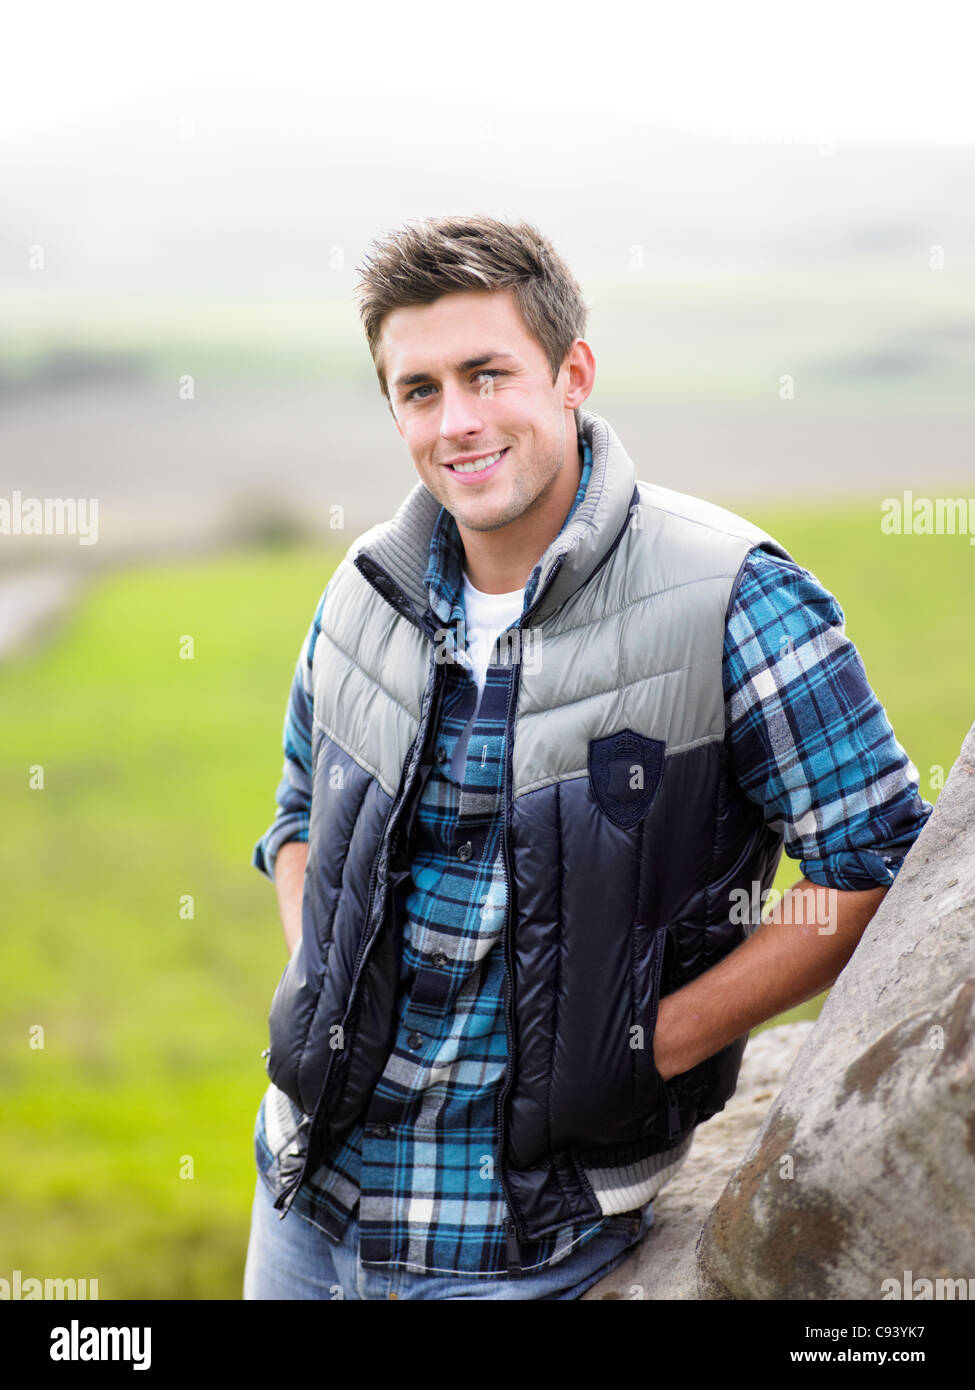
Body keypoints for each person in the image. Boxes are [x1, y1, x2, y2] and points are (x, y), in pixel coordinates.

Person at [242, 214, 931, 1300]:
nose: (456, 422)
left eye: (487, 374)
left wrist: (646, 1044)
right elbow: (295, 818)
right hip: (302, 1202)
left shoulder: (731, 596)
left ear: (573, 372)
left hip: (524, 1248)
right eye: (420, 390)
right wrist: (311, 975)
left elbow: (877, 862)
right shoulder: (363, 587)